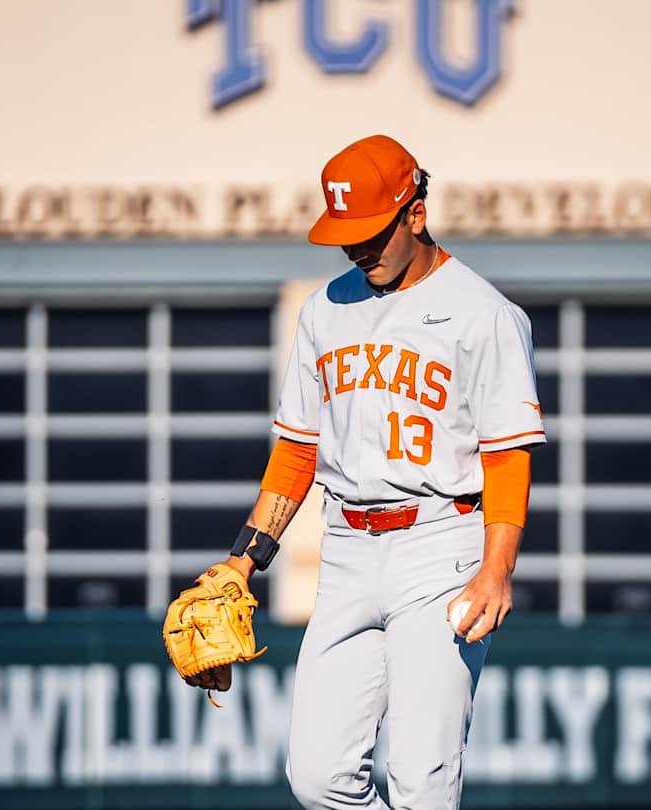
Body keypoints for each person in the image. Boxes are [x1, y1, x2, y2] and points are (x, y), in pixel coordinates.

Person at [199, 134, 545, 809]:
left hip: (441, 542)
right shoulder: (326, 309)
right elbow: (298, 448)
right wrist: (245, 558)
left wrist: (497, 567)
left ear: (415, 212)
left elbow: (508, 452)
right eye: (345, 233)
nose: (356, 247)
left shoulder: (484, 313)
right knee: (319, 777)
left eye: (371, 231)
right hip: (349, 549)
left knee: (421, 780)